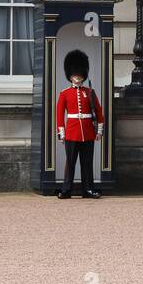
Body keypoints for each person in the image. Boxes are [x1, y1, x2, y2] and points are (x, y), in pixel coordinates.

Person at [55, 49, 104, 199]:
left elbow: (99, 112)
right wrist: (61, 134)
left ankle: (88, 189)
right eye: (75, 74)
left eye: (79, 74)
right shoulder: (64, 93)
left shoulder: (90, 92)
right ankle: (66, 189)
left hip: (88, 131)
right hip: (72, 131)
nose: (77, 77)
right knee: (70, 162)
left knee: (87, 163)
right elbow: (59, 115)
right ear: (70, 76)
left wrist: (99, 131)